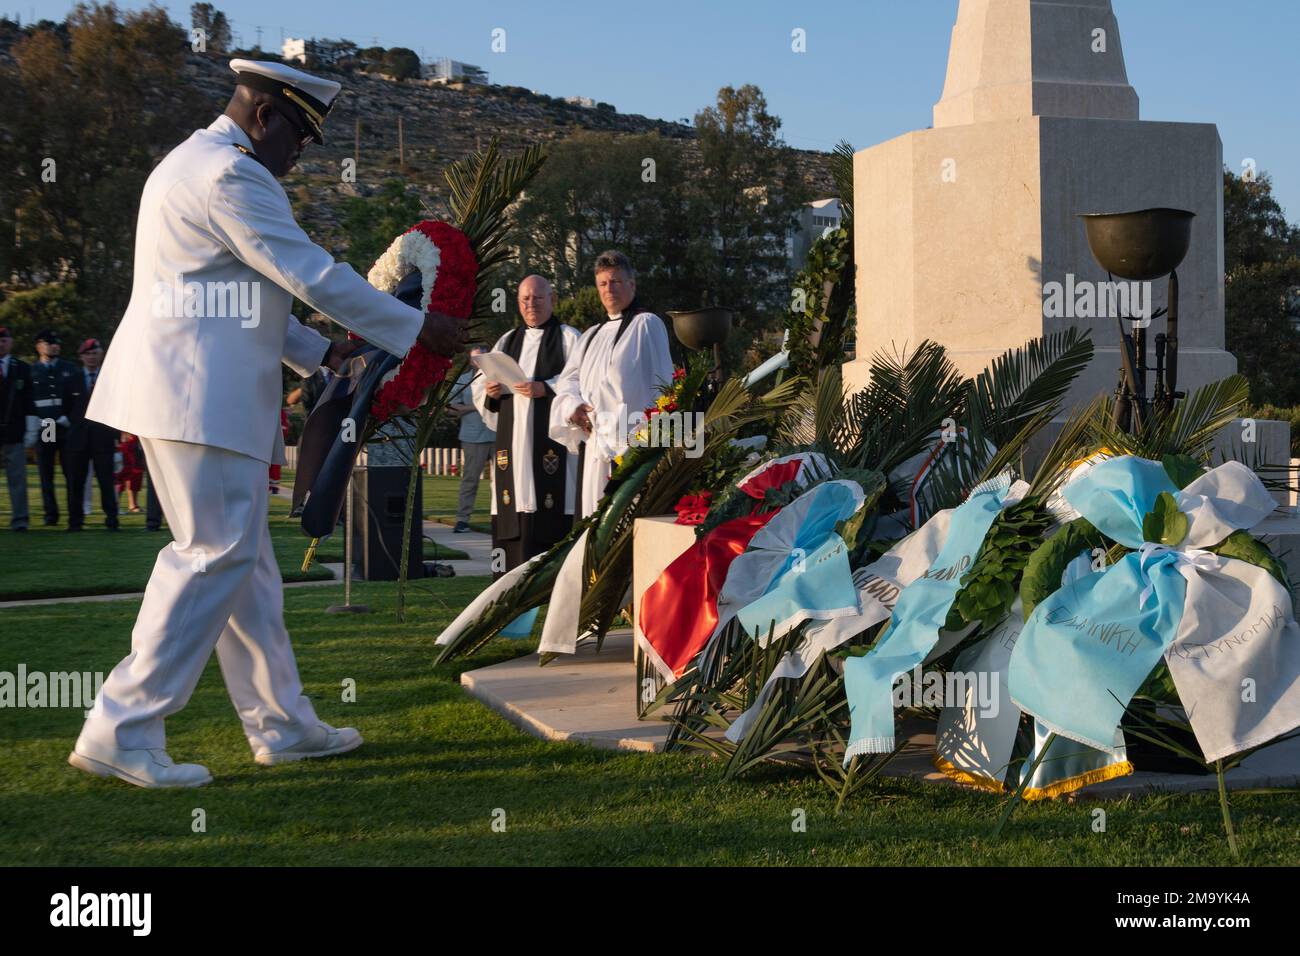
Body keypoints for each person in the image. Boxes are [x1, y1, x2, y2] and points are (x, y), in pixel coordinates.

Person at [69, 59, 465, 789]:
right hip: (200, 399)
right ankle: (122, 726)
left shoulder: (190, 163)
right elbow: (309, 275)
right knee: (210, 555)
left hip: (194, 395)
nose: (300, 155)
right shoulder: (232, 176)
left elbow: (241, 292)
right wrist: (418, 328)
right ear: (265, 117)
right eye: (301, 139)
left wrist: (323, 354)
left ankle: (282, 724)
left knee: (245, 571)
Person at [549, 251, 674, 517]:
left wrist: (599, 415)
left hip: (630, 446)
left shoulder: (646, 324)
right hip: (595, 446)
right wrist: (574, 406)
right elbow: (567, 381)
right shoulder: (591, 335)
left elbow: (647, 386)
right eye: (603, 284)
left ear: (632, 284)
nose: (609, 289)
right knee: (592, 525)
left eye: (616, 282)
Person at [473, 276, 580, 567]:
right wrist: (491, 391)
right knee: (514, 532)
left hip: (554, 453)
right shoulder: (506, 341)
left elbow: (585, 381)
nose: (530, 304)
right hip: (514, 453)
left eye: (537, 298)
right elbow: (480, 386)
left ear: (552, 299)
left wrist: (545, 388)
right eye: (524, 299)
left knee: (553, 529)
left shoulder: (570, 338)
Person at [64, 338, 120, 532]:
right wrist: (55, 435)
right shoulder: (71, 380)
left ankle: (112, 521)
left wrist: (117, 437)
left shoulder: (110, 379)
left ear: (101, 355)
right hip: (77, 441)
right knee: (75, 483)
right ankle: (75, 522)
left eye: (94, 353)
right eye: (87, 354)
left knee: (106, 482)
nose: (91, 357)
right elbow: (65, 409)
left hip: (103, 439)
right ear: (81, 357)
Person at [29, 329, 76, 526]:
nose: (54, 346)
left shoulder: (69, 368)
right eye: (49, 343)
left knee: (71, 472)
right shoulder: (32, 370)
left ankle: (75, 515)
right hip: (46, 425)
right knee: (46, 471)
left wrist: (69, 417)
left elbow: (77, 397)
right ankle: (51, 515)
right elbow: (28, 400)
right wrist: (35, 421)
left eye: (56, 343)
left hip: (65, 425)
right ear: (39, 346)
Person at [448, 347, 495, 532]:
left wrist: (468, 407)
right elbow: (451, 407)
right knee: (470, 480)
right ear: (469, 360)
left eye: (481, 358)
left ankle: (500, 518)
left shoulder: (496, 378)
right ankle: (462, 519)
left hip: (497, 434)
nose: (478, 361)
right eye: (474, 358)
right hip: (472, 436)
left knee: (501, 481)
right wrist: (477, 406)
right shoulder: (462, 381)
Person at [0, 327, 34, 531]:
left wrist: (33, 431)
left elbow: (30, 401)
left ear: (11, 342)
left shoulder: (21, 368)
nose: (1, 343)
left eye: (4, 340)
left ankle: (20, 519)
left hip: (14, 432)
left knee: (18, 481)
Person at [115, 433, 143, 513]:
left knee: (136, 473)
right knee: (121, 474)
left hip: (137, 440)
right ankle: (116, 505)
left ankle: (133, 505)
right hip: (124, 442)